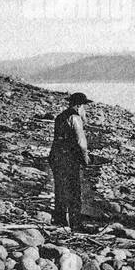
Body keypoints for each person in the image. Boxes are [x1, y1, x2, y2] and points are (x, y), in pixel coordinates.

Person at [49, 91, 91, 230]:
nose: (85, 110)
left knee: (60, 188)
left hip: (56, 155)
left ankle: (60, 220)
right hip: (68, 158)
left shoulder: (60, 117)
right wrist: (85, 157)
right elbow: (81, 142)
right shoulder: (75, 118)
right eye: (84, 106)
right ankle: (76, 223)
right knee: (74, 190)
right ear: (79, 106)